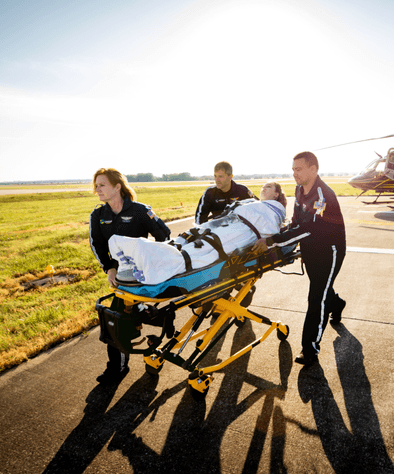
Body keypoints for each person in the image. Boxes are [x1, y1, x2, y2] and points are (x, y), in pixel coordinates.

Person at [252, 152, 346, 368]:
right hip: (311, 248)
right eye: (293, 169)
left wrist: (272, 242)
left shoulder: (323, 195)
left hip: (329, 251)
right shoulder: (299, 189)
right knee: (322, 290)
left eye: (299, 169)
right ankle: (337, 303)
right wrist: (284, 236)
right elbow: (297, 221)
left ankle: (310, 348)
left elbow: (308, 228)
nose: (294, 173)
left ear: (313, 170)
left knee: (317, 298)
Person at [109, 182, 287, 286]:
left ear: (276, 194)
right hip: (225, 225)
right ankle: (140, 259)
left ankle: (151, 264)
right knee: (186, 239)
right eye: (263, 186)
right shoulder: (252, 203)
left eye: (268, 187)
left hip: (238, 232)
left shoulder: (274, 210)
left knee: (200, 249)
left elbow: (270, 230)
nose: (263, 188)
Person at [89, 168, 170, 385]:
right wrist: (109, 268)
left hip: (143, 276)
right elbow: (97, 244)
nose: (97, 189)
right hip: (121, 279)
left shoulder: (140, 210)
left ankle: (150, 324)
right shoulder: (98, 215)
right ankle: (119, 364)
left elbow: (164, 236)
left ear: (117, 187)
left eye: (102, 185)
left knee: (118, 320)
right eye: (96, 185)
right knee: (117, 320)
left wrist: (150, 263)